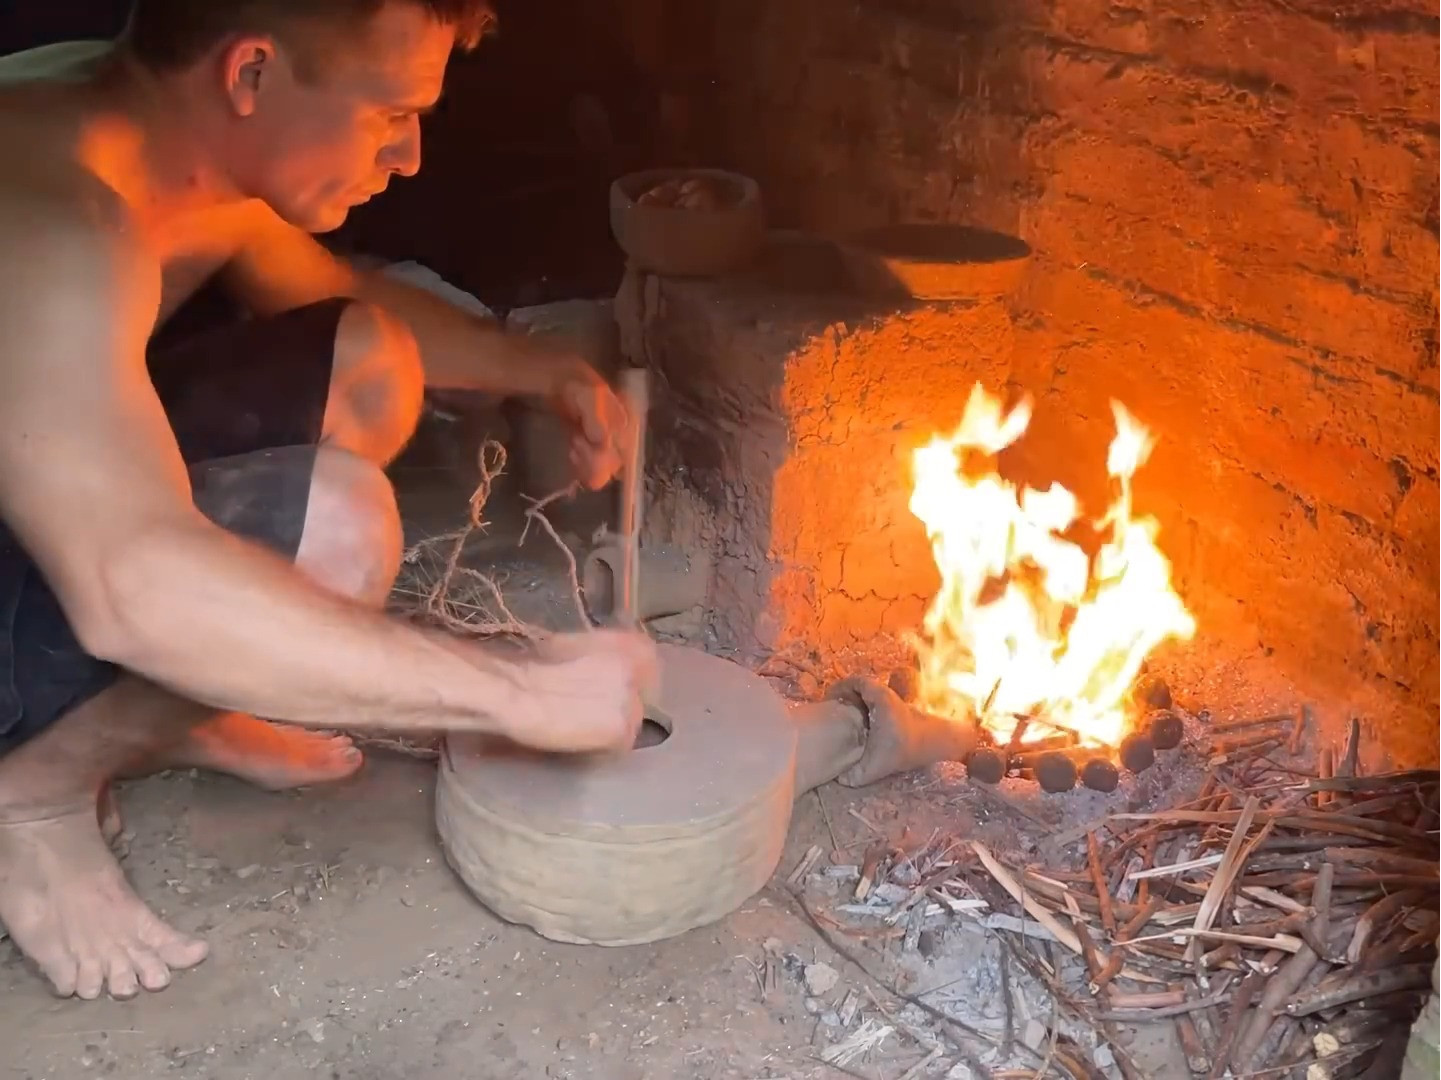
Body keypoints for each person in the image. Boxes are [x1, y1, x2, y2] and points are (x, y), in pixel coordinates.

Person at [0, 0, 659, 1002]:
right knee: (335, 537)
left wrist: (541, 372)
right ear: (251, 73)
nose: (408, 157)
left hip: (37, 465)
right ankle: (29, 804)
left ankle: (172, 712)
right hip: (78, 539)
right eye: (391, 112)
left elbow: (331, 293)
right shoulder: (46, 216)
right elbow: (127, 582)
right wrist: (518, 690)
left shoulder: (155, 124)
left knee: (366, 356)